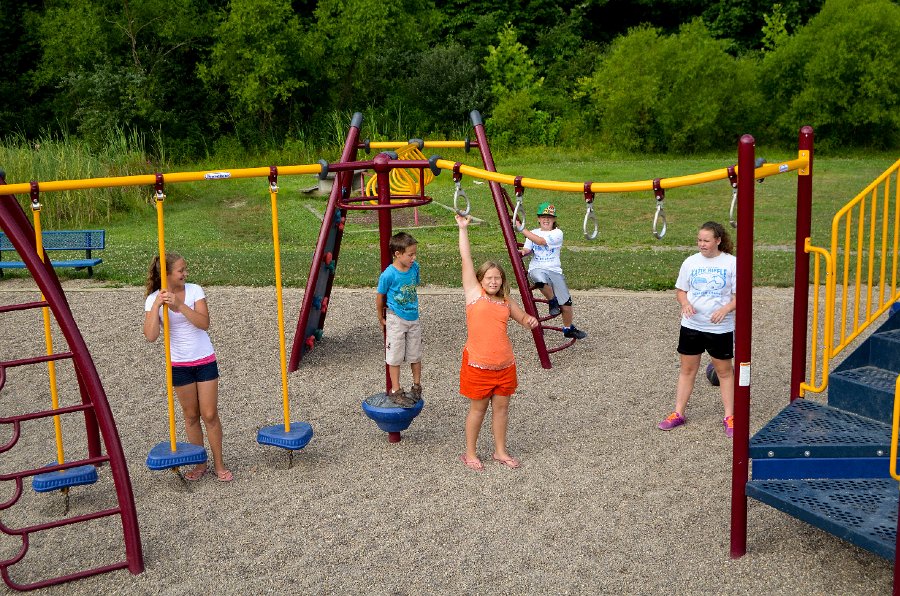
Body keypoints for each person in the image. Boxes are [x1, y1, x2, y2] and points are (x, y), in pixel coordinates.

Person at [456, 214, 539, 471]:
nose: (493, 281)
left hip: (504, 365)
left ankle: (500, 451)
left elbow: (523, 318)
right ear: (480, 280)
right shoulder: (473, 295)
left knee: (502, 409)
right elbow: (466, 259)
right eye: (488, 278)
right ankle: (470, 452)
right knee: (478, 410)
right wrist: (463, 229)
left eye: (497, 278)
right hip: (479, 365)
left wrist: (529, 321)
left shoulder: (505, 301)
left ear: (503, 281)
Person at [143, 253, 233, 482]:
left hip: (204, 359)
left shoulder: (194, 291)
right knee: (191, 416)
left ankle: (219, 464)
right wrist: (156, 305)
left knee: (210, 414)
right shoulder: (154, 299)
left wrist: (180, 305)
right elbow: (151, 336)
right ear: (167, 275)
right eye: (181, 270)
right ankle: (200, 463)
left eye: (185, 269)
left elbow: (204, 323)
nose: (185, 274)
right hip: (179, 364)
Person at [658, 221, 737, 437]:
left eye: (706, 240)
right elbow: (681, 290)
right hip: (692, 325)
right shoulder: (691, 262)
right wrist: (685, 303)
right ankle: (678, 413)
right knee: (687, 370)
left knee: (724, 371)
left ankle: (730, 416)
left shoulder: (731, 263)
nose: (702, 244)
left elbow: (740, 296)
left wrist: (726, 309)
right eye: (699, 240)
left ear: (718, 241)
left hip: (719, 328)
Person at [518, 201, 587, 340]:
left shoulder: (557, 233)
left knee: (566, 303)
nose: (546, 219)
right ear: (538, 219)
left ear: (554, 219)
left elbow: (541, 242)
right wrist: (522, 252)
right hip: (538, 267)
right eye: (543, 217)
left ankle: (568, 328)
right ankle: (552, 300)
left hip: (554, 269)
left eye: (549, 217)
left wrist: (521, 229)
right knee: (538, 277)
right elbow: (528, 248)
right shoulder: (532, 232)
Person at [375, 232, 422, 407]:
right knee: (394, 355)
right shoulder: (388, 275)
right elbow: (380, 296)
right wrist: (381, 317)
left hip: (413, 317)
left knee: (415, 354)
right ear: (398, 254)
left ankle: (417, 386)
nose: (413, 257)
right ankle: (396, 390)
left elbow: (414, 286)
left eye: (414, 253)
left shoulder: (414, 268)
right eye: (410, 254)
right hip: (395, 318)